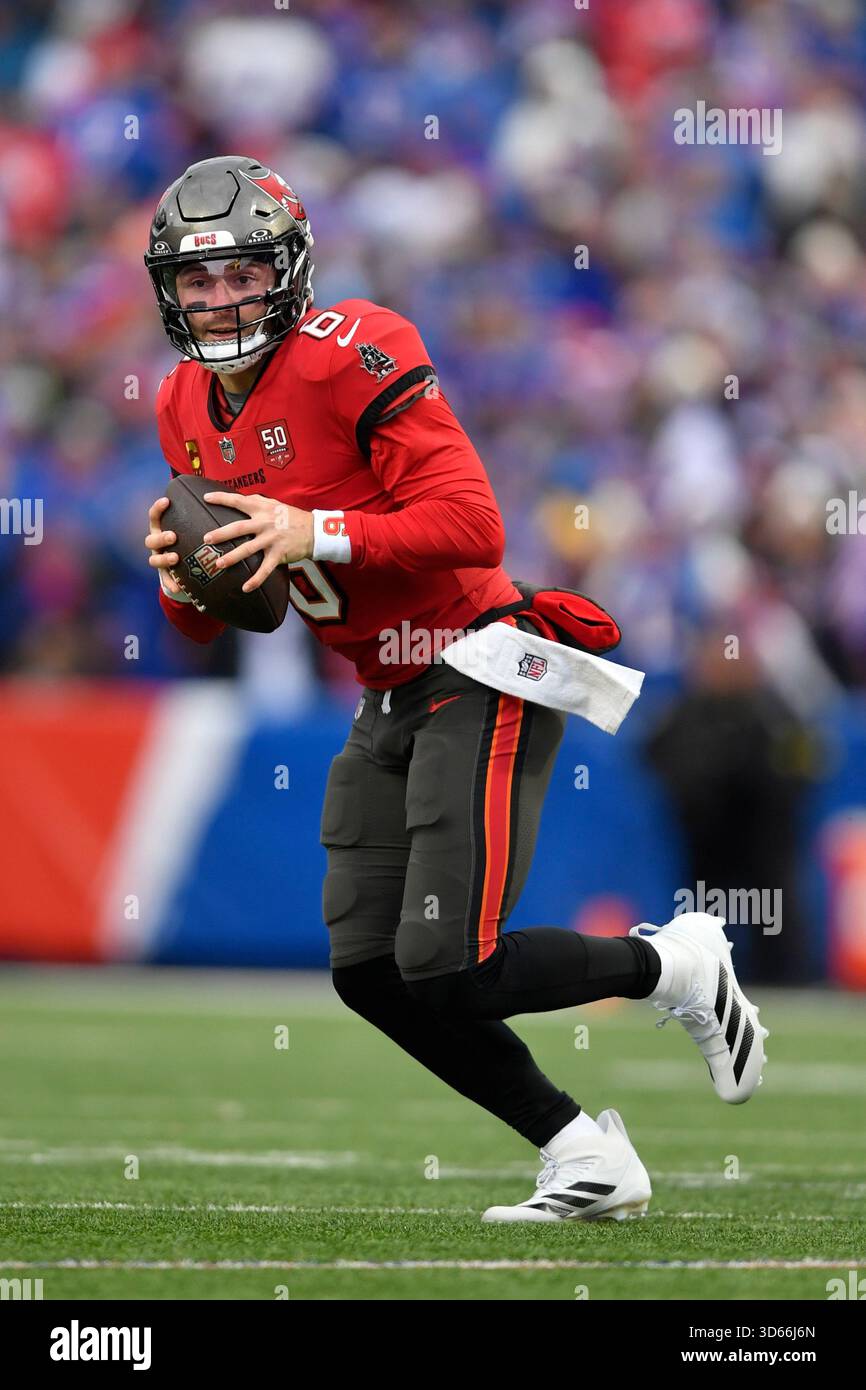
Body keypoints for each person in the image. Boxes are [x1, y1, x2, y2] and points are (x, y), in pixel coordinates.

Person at [143, 156, 768, 1222]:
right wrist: (182, 583)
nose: (218, 300)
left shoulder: (356, 349)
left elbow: (473, 524)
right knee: (368, 968)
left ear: (285, 272)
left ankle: (669, 961)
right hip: (384, 685)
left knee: (447, 959)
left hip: (478, 658)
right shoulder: (180, 404)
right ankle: (583, 1152)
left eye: (239, 273)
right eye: (196, 283)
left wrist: (316, 525)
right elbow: (228, 609)